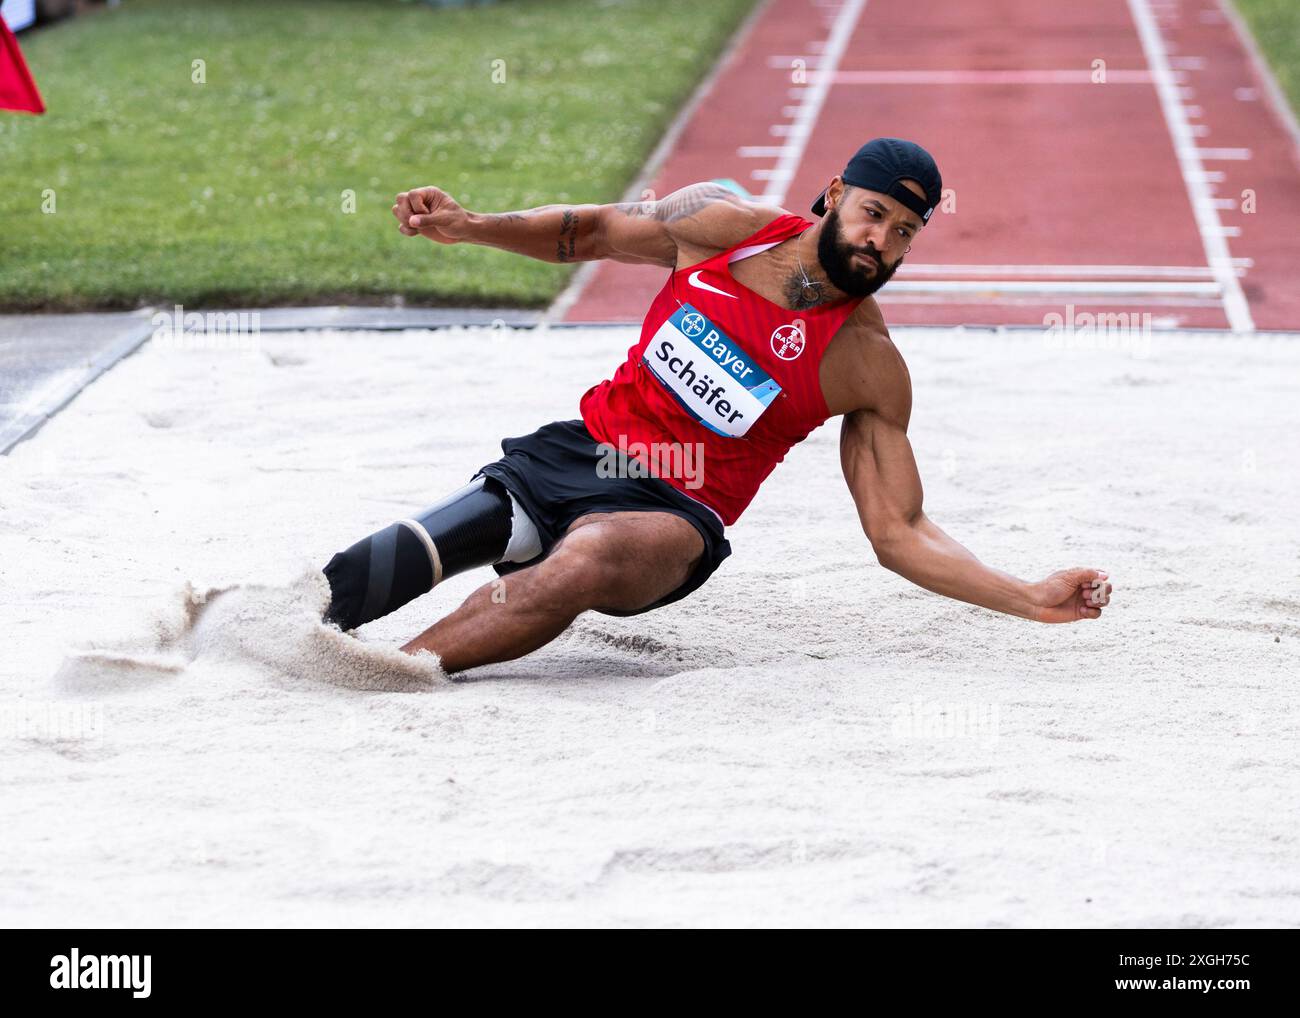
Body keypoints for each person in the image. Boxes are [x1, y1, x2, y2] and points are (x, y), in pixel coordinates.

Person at [321, 138, 1113, 674]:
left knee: (585, 559)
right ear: (835, 196)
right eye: (874, 213)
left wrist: (1029, 597)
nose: (881, 241)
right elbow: (594, 231)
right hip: (581, 451)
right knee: (416, 545)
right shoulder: (720, 227)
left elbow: (899, 531)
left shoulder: (866, 364)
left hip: (674, 517)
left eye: (904, 232)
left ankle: (392, 677)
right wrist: (469, 227)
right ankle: (277, 629)